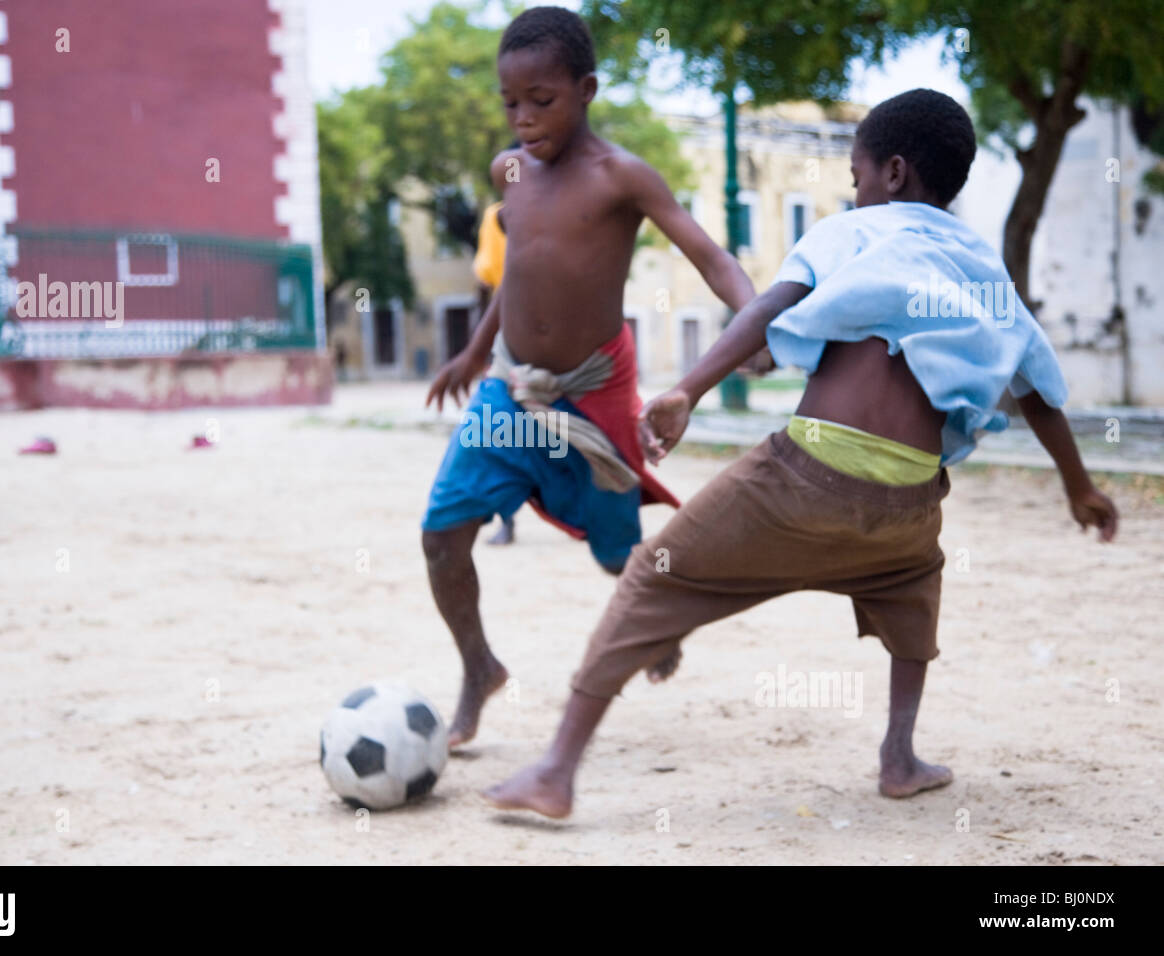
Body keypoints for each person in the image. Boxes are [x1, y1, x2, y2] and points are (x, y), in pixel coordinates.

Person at [483, 88, 1119, 817]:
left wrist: (688, 388)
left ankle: (557, 771)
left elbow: (766, 310)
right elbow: (1038, 388)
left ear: (893, 174)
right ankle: (899, 757)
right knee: (914, 584)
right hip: (908, 495)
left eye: (854, 175)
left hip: (805, 475)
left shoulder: (852, 232)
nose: (853, 190)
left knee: (649, 577)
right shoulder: (981, 266)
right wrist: (1079, 487)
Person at [421, 6, 756, 748]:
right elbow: (523, 270)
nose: (524, 119)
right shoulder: (509, 172)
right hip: (512, 389)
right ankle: (479, 667)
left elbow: (709, 255)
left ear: (587, 89)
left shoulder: (621, 178)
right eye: (510, 103)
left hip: (594, 395)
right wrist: (477, 352)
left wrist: (754, 316)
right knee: (442, 536)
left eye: (542, 101)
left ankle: (659, 621)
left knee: (616, 554)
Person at [473, 199, 517, 545]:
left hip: (514, 331)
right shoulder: (562, 201)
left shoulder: (495, 213)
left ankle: (508, 520)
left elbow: (486, 272)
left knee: (501, 427)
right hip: (566, 330)